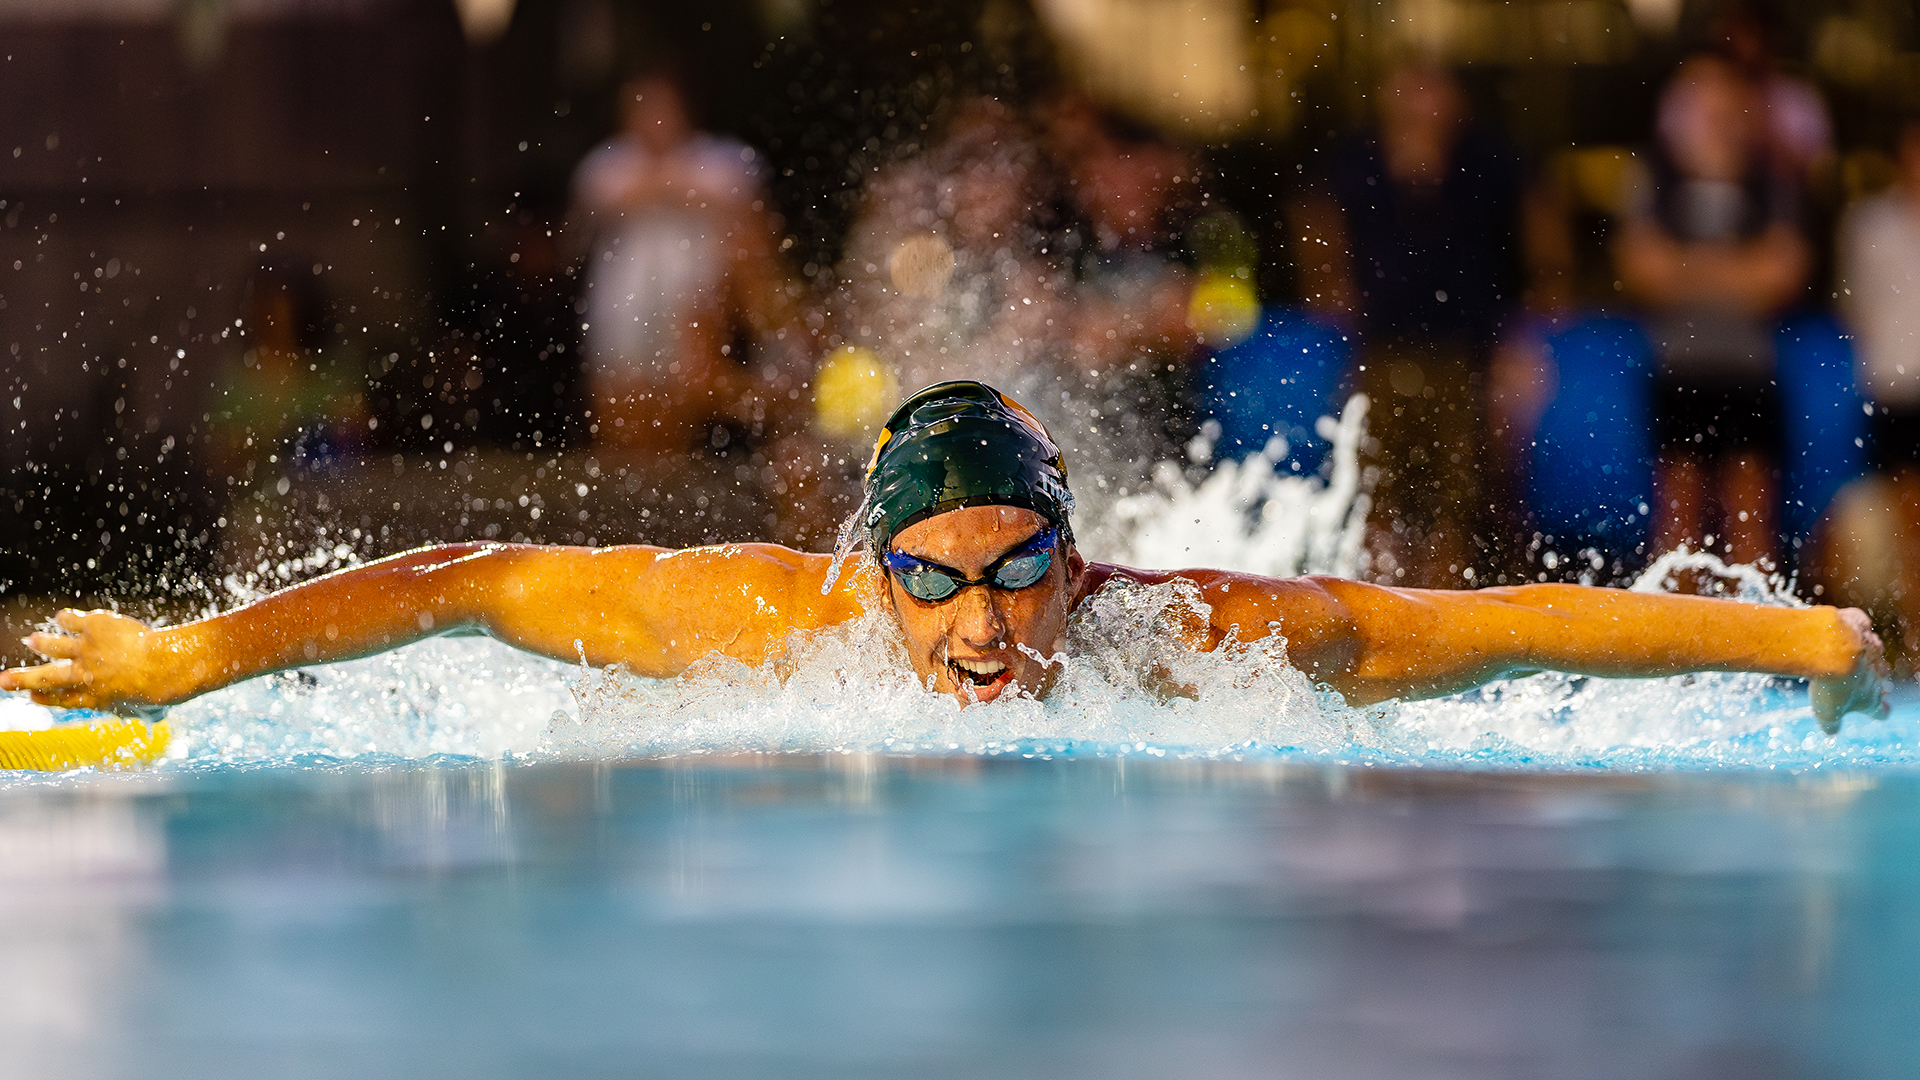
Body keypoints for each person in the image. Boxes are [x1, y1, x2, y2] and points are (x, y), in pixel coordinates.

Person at [0, 381, 1889, 732]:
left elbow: (1493, 629)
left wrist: (1791, 643)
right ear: (873, 567)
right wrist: (181, 658)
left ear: (1079, 560)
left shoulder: (1188, 638)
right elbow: (467, 579)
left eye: (1016, 572)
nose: (984, 623)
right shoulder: (771, 622)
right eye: (934, 578)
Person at [1616, 54, 1809, 569]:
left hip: (1748, 370)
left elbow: (1784, 274)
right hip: (1677, 367)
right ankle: (1678, 623)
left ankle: (1754, 622)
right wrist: (1739, 270)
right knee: (1677, 524)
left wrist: (1685, 269)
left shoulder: (1766, 179)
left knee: (1751, 520)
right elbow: (1640, 270)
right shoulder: (1655, 176)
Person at [1837, 117, 1920, 662]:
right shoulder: (1870, 224)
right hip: (1897, 387)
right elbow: (1856, 307)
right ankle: (1913, 638)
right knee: (1907, 525)